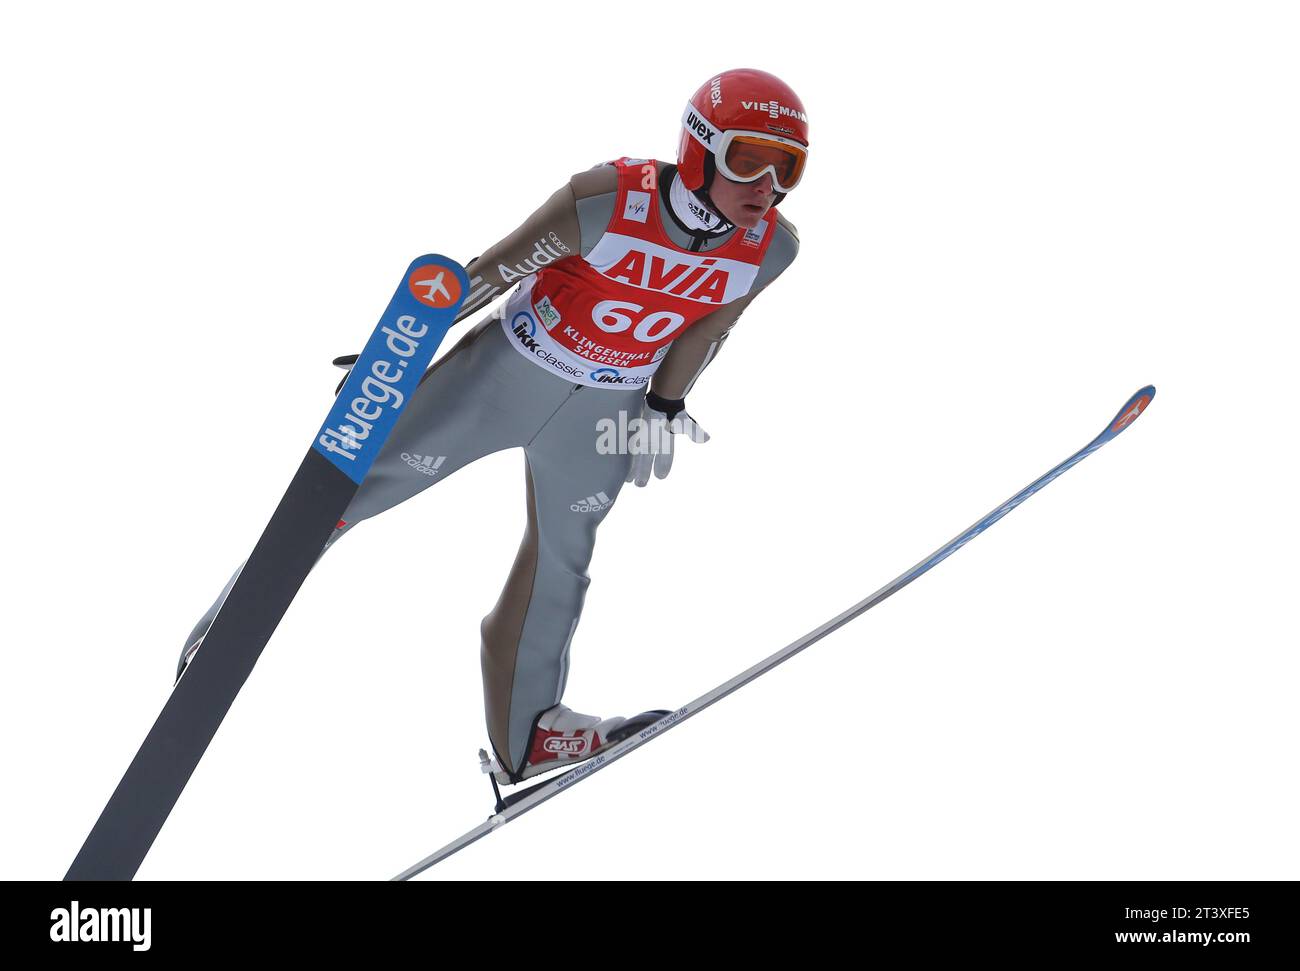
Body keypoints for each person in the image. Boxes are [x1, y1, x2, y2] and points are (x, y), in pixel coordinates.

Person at [181, 67, 808, 785]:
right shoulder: (608, 200)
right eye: (748, 159)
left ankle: (529, 734)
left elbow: (709, 327)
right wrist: (405, 344)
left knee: (563, 559)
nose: (766, 184)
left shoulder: (771, 249)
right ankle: (229, 628)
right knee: (350, 492)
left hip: (605, 409)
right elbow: (498, 267)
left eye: (786, 167)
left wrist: (664, 406)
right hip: (508, 372)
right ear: (699, 150)